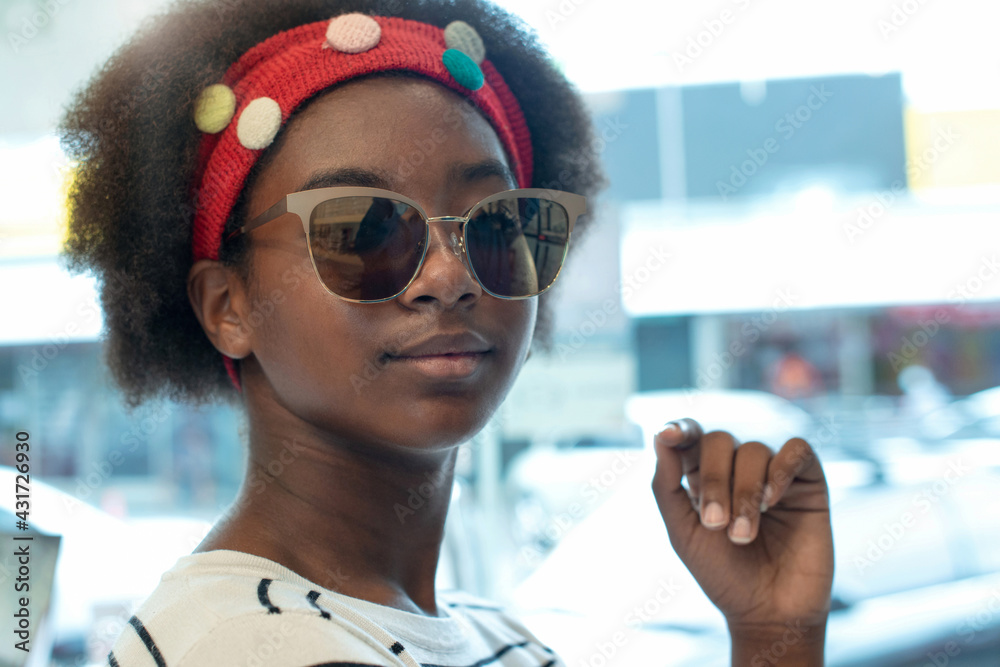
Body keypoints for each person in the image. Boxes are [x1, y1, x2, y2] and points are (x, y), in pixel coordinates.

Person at [59, 0, 834, 664]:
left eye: (495, 226)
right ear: (227, 306)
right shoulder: (244, 641)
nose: (449, 274)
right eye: (364, 230)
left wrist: (775, 632)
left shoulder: (486, 632)